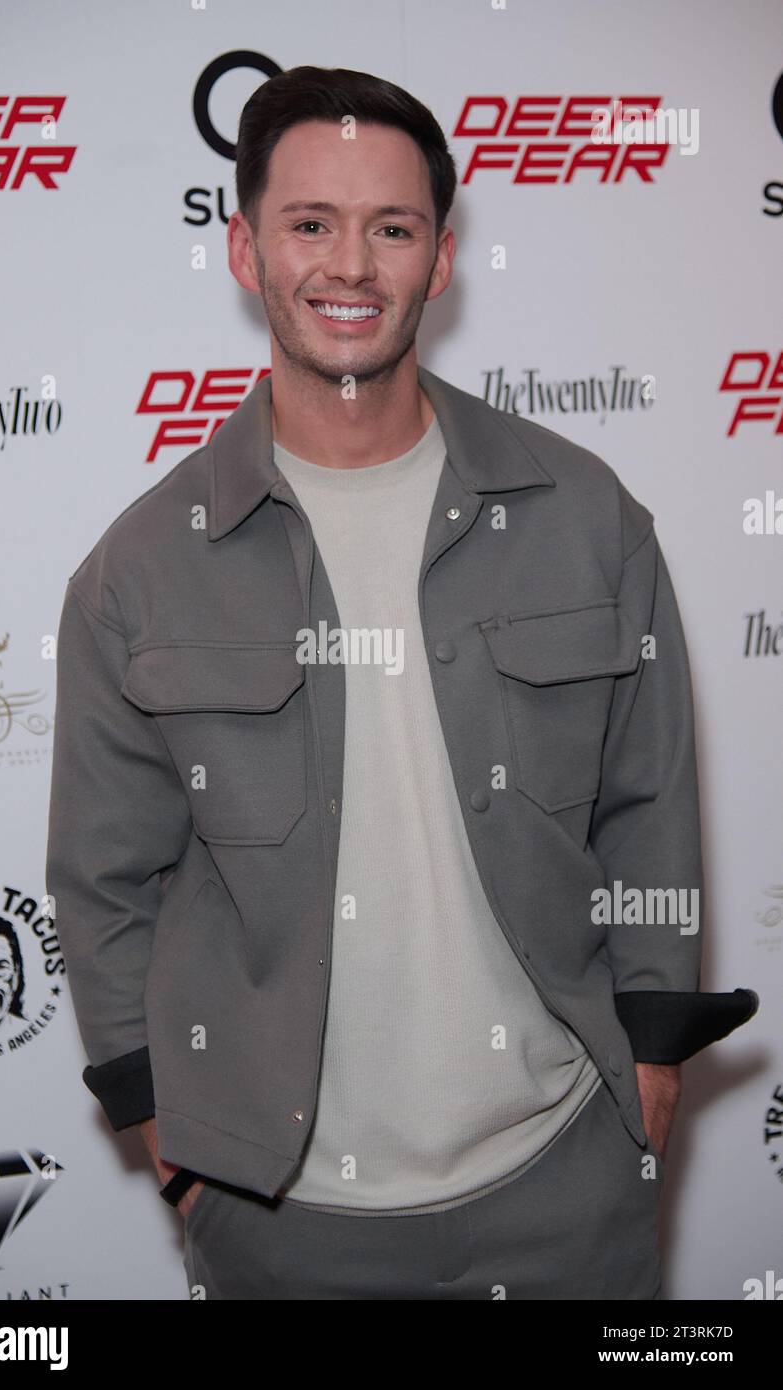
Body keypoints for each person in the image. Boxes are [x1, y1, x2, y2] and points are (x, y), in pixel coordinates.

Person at [45, 65, 758, 1300]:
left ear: (439, 258)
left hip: (567, 1182)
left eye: (392, 227)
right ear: (240, 250)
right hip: (280, 1216)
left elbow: (648, 807)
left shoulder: (585, 517)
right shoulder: (140, 569)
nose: (350, 265)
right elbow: (105, 884)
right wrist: (168, 1139)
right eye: (309, 223)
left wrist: (647, 1060)